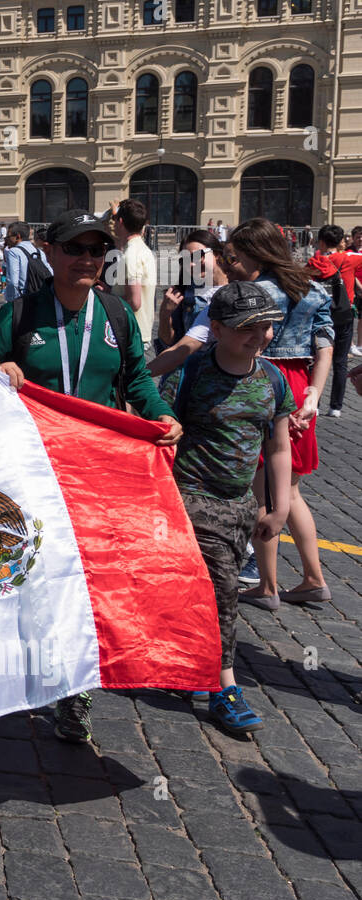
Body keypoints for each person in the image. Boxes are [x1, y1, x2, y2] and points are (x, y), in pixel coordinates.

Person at [0, 208, 181, 745]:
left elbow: (136, 378)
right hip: (30, 470)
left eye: (95, 250)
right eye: (75, 249)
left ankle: (74, 692)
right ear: (50, 252)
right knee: (34, 575)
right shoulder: (20, 313)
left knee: (85, 580)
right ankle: (23, 670)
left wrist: (159, 416)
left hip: (95, 473)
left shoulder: (114, 313)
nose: (87, 259)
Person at [157, 282, 293, 735]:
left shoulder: (272, 379)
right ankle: (224, 688)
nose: (260, 336)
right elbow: (159, 433)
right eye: (246, 328)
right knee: (223, 594)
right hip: (192, 500)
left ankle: (190, 665)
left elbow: (276, 447)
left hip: (240, 506)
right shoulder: (188, 374)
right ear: (215, 328)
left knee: (206, 592)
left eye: (267, 327)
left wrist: (279, 506)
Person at [199, 220, 333, 611]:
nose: (233, 260)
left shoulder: (254, 292)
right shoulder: (314, 288)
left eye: (238, 253)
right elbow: (324, 346)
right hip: (302, 380)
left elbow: (248, 347)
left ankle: (268, 585)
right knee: (290, 491)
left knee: (262, 489)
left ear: (255, 251)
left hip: (263, 379)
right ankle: (313, 578)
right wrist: (312, 398)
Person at [307, 224, 362, 417]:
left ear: (320, 241)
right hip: (343, 314)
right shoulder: (348, 259)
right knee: (340, 362)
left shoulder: (312, 263)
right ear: (340, 241)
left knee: (315, 360)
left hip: (319, 316)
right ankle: (336, 407)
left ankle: (315, 402)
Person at [156, 229, 227, 353]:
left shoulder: (238, 287)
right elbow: (170, 342)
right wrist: (165, 314)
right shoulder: (184, 293)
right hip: (194, 367)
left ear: (216, 254)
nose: (192, 264)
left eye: (198, 256)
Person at [107, 198, 157, 346]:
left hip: (131, 334)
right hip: (140, 331)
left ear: (120, 222)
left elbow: (134, 302)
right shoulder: (143, 250)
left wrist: (108, 300)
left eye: (114, 219)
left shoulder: (131, 255)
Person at [2, 220, 49, 303]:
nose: (7, 239)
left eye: (8, 236)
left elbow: (13, 282)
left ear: (17, 237)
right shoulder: (39, 252)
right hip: (39, 297)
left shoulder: (14, 252)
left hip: (22, 298)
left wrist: (12, 301)